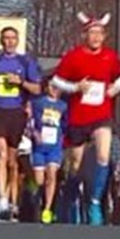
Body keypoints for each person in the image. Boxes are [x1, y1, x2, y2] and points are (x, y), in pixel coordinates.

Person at [51, 11, 120, 226]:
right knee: (76, 165)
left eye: (99, 33)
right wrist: (76, 87)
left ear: (104, 36)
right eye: (92, 33)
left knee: (103, 154)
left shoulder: (110, 56)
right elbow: (57, 81)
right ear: (85, 35)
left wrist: (115, 89)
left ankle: (94, 201)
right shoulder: (74, 57)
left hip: (101, 114)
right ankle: (71, 198)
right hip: (78, 117)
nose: (95, 37)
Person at [0, 27, 42, 221]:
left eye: (12, 38)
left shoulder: (25, 62)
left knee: (12, 161)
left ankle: (9, 199)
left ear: (17, 41)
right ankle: (2, 198)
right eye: (6, 38)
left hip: (16, 113)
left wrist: (21, 82)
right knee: (1, 151)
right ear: (1, 40)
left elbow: (37, 88)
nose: (9, 42)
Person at [29, 77, 68, 224]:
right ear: (46, 88)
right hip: (39, 147)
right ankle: (37, 201)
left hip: (54, 147)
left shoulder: (63, 106)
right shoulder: (38, 103)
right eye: (52, 86)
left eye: (57, 87)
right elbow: (30, 122)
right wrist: (34, 133)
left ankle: (47, 209)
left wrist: (63, 139)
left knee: (52, 176)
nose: (54, 90)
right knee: (39, 181)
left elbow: (66, 125)